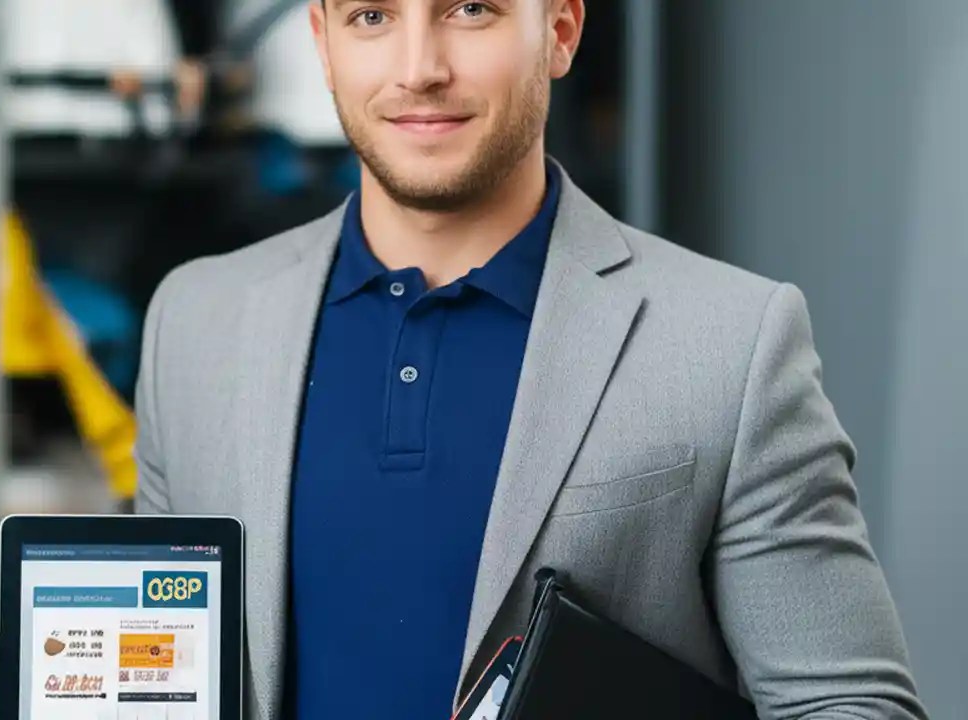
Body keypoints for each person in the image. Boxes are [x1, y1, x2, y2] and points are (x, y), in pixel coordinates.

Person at [133, 1, 926, 718]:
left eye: (470, 10)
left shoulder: (730, 339)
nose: (419, 69)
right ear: (324, 42)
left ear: (560, 31)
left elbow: (853, 705)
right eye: (372, 17)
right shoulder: (195, 322)